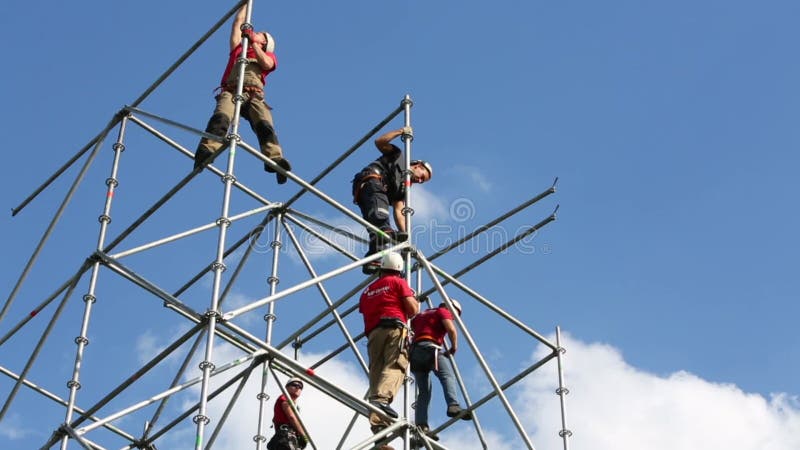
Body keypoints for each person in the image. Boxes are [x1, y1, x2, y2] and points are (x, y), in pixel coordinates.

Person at [194, 5, 292, 184]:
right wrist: (245, 4)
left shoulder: (268, 55)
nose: (257, 32)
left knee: (264, 124)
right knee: (221, 118)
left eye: (261, 34)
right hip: (231, 90)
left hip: (254, 94)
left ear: (265, 42)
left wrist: (253, 41)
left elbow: (267, 64)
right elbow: (238, 23)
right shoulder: (239, 49)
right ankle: (207, 150)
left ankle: (274, 159)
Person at [352, 127, 433, 272]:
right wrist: (400, 131)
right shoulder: (398, 157)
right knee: (382, 220)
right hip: (372, 181)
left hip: (368, 194)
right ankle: (385, 231)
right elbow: (379, 142)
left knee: (376, 232)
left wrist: (405, 236)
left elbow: (398, 210)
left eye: (423, 181)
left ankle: (373, 259)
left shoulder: (403, 189)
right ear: (417, 165)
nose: (420, 181)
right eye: (422, 176)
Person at [358, 251, 420, 433]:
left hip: (373, 334)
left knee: (376, 374)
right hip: (394, 328)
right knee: (395, 365)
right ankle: (382, 400)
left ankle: (378, 422)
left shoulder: (367, 291)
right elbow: (413, 310)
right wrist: (414, 299)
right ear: (399, 269)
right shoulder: (398, 282)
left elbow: (364, 310)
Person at [410, 298, 471, 439]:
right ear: (452, 308)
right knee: (447, 376)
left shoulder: (421, 315)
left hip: (415, 353)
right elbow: (451, 329)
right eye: (455, 315)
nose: (454, 318)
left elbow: (414, 329)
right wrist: (453, 347)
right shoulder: (443, 311)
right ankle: (453, 405)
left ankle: (421, 425)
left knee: (424, 392)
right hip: (430, 348)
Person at [267, 378, 308, 450]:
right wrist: (303, 435)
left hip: (286, 437)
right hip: (285, 435)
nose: (298, 387)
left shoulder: (295, 405)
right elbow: (291, 417)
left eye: (300, 387)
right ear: (286, 388)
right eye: (294, 385)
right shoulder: (285, 397)